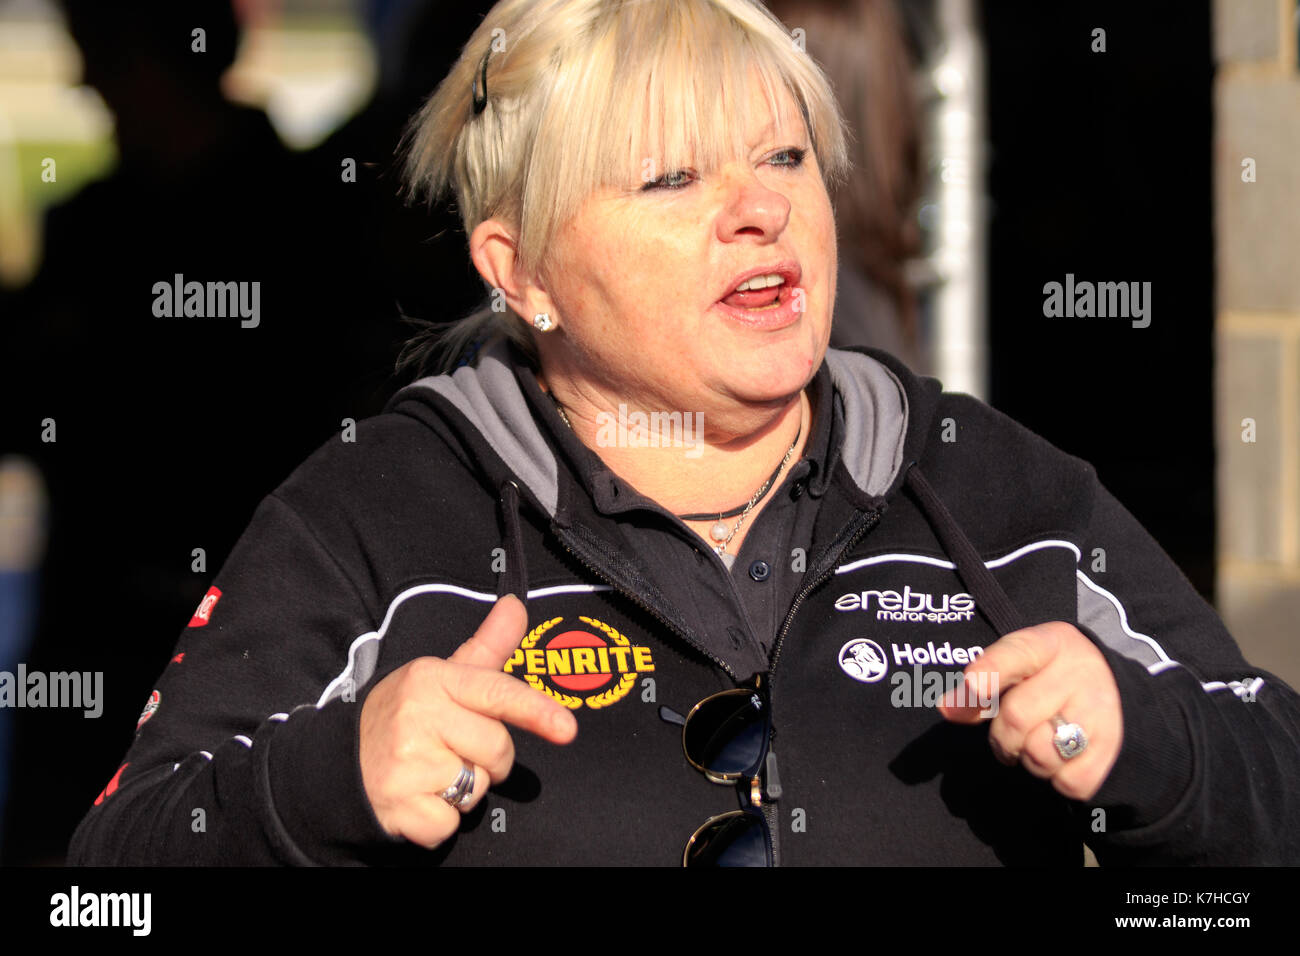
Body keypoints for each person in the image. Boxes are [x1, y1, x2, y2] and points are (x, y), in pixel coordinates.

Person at [69, 0, 1300, 866]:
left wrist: (1150, 743)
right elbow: (107, 880)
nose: (760, 209)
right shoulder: (373, 513)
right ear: (521, 270)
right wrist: (327, 780)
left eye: (785, 156)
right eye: (672, 179)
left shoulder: (988, 485)